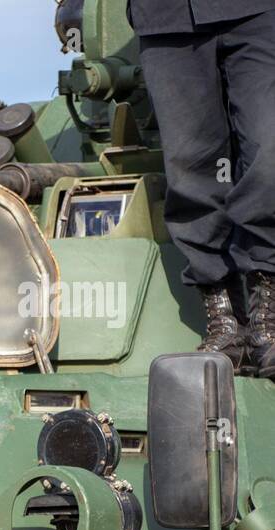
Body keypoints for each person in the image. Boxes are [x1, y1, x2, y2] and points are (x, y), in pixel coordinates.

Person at [129, 0, 275, 374]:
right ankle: (226, 324)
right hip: (166, 17)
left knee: (268, 153)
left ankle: (267, 320)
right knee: (190, 167)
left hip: (258, 11)